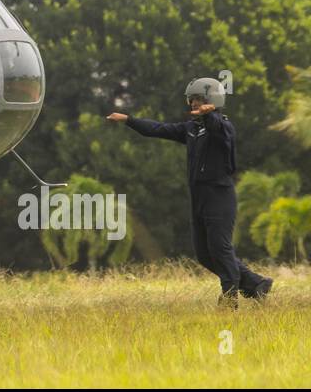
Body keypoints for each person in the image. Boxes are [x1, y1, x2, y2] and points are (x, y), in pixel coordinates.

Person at [107, 77, 274, 306]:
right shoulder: (191, 130)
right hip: (199, 198)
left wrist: (211, 113)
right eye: (192, 99)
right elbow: (157, 129)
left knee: (220, 248)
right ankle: (256, 285)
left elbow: (216, 126)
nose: (194, 103)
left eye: (199, 99)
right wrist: (128, 120)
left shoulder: (223, 127)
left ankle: (229, 298)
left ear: (212, 100)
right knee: (205, 255)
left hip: (219, 196)